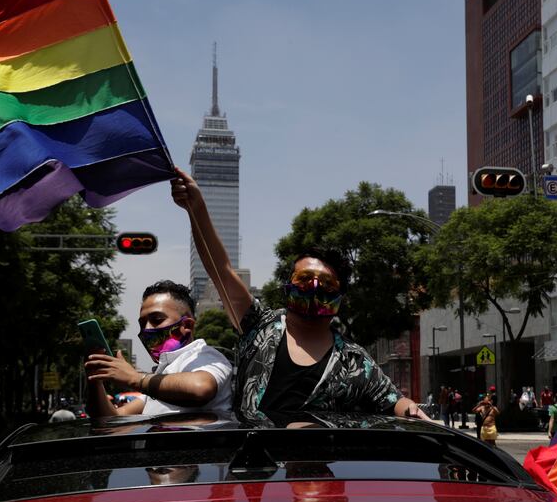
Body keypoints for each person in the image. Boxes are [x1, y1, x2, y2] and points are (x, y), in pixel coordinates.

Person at [171, 166, 428, 421]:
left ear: (340, 297)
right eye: (304, 279)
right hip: (251, 448)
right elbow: (221, 269)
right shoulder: (259, 326)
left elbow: (394, 400)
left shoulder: (354, 361)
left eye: (326, 284)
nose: (314, 287)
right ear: (287, 286)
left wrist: (411, 410)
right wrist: (196, 208)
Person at [84, 281, 233, 418]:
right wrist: (95, 379)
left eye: (157, 320)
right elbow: (111, 418)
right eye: (142, 324)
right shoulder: (158, 379)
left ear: (187, 326)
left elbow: (201, 388)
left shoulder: (206, 356)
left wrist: (134, 378)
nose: (147, 329)